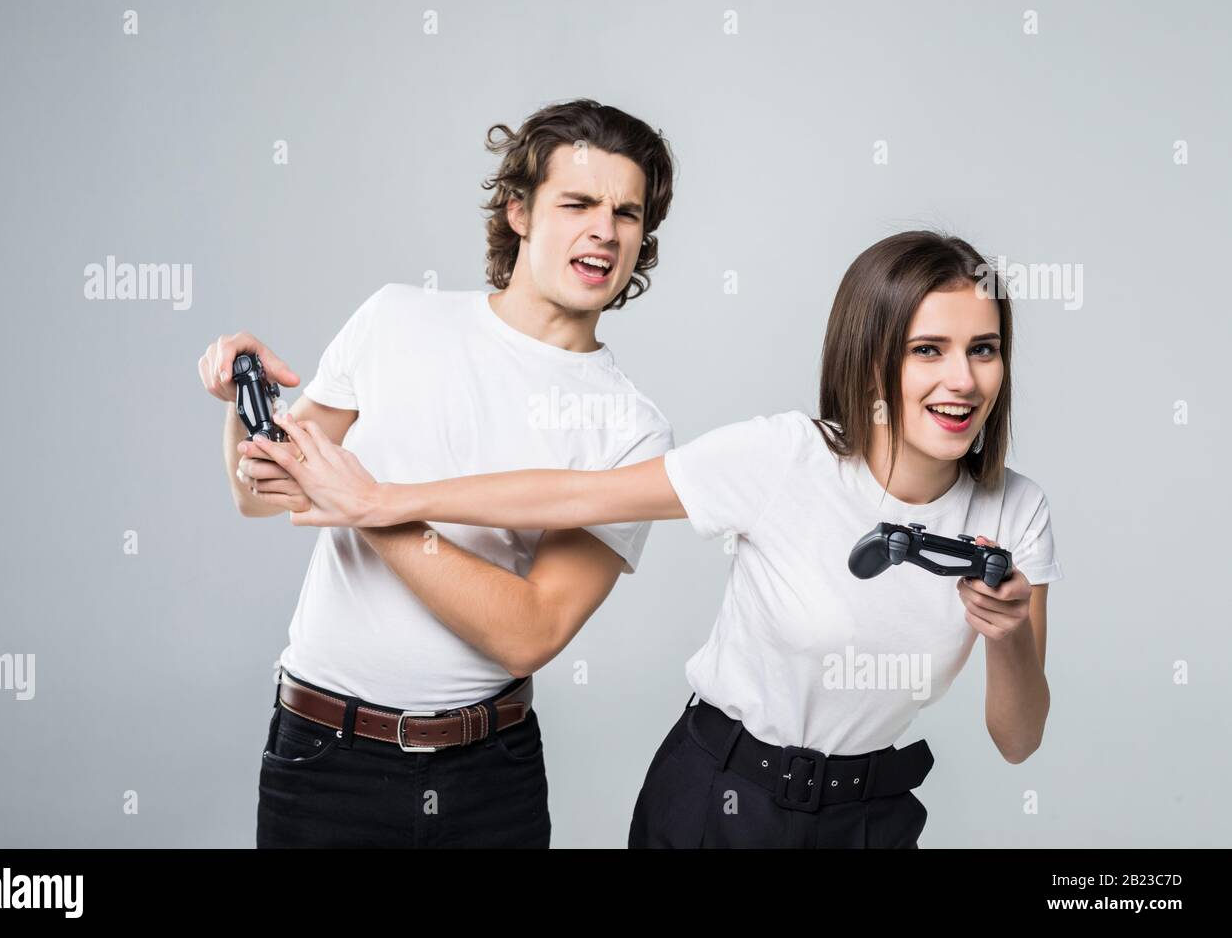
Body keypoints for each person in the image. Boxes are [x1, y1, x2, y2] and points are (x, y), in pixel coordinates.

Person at [251, 230, 1065, 848]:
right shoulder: (786, 456)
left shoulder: (1015, 515)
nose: (962, 380)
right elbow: (576, 494)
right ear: (872, 359)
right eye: (929, 350)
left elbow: (1020, 740)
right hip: (721, 797)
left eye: (983, 350)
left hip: (869, 813)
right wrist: (382, 499)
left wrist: (1009, 638)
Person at [198, 99, 677, 847]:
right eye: (577, 203)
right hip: (321, 755)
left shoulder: (631, 427)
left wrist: (370, 507)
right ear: (518, 210)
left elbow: (531, 631)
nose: (604, 231)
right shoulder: (396, 318)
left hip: (487, 774)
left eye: (626, 212)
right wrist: (245, 401)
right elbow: (259, 492)